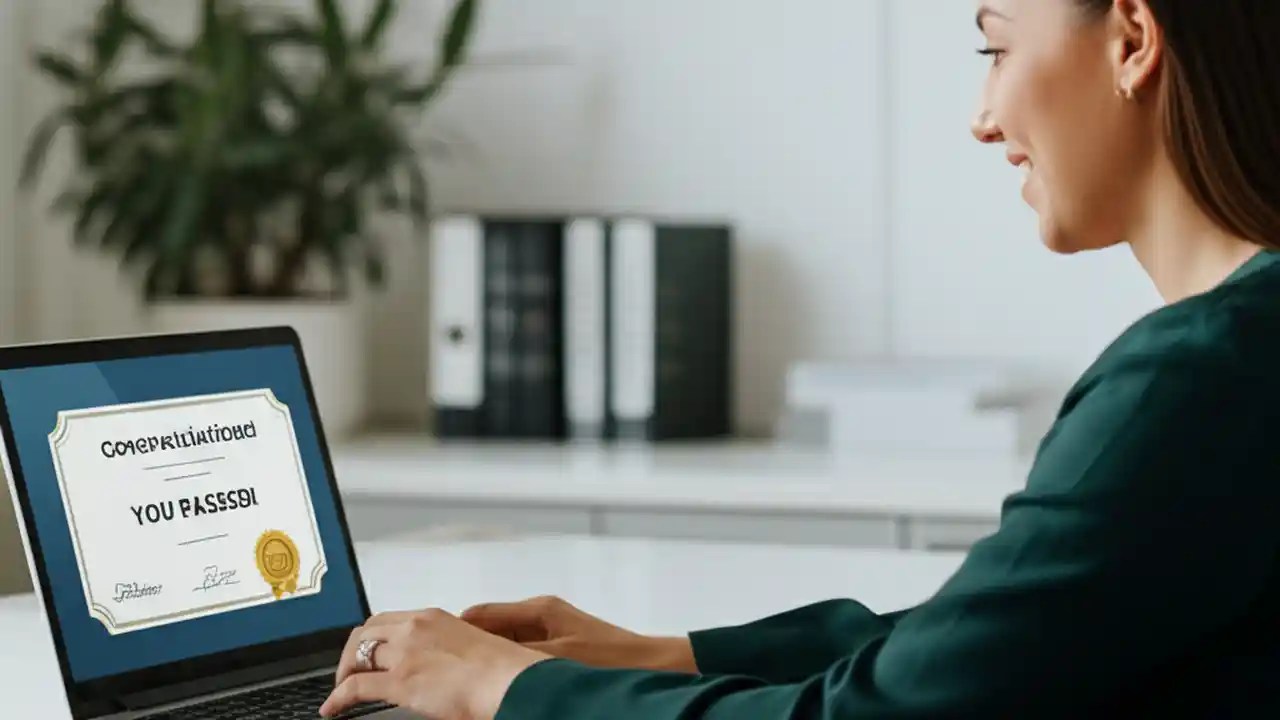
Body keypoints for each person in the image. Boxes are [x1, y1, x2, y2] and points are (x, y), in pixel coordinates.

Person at [322, 0, 1280, 717]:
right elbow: (1006, 639)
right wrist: (663, 655)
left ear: (1132, 39)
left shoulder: (1197, 379)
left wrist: (505, 689)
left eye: (996, 49)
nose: (983, 118)